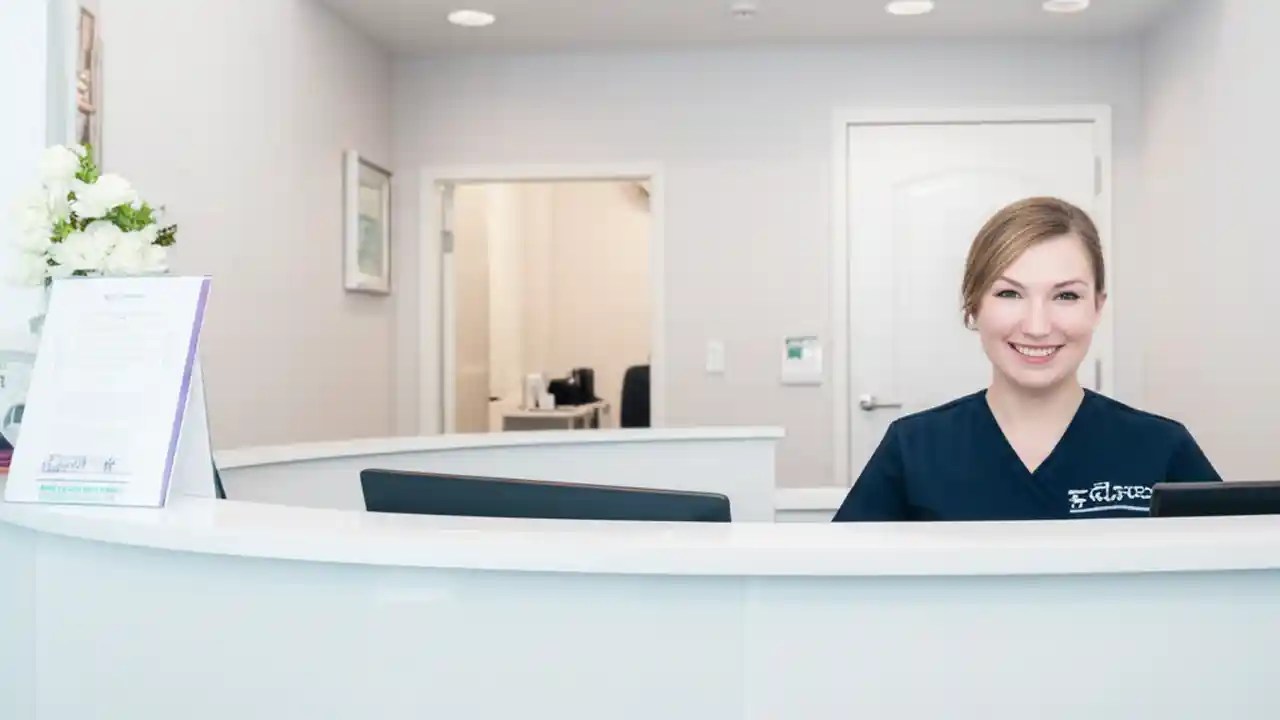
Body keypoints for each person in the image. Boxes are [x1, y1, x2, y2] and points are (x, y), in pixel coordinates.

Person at [833, 197, 1220, 522]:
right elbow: (840, 588)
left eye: (1066, 296)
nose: (1037, 326)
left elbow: (1239, 581)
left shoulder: (1161, 448)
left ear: (1098, 307)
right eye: (1009, 294)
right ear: (973, 305)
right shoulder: (914, 448)